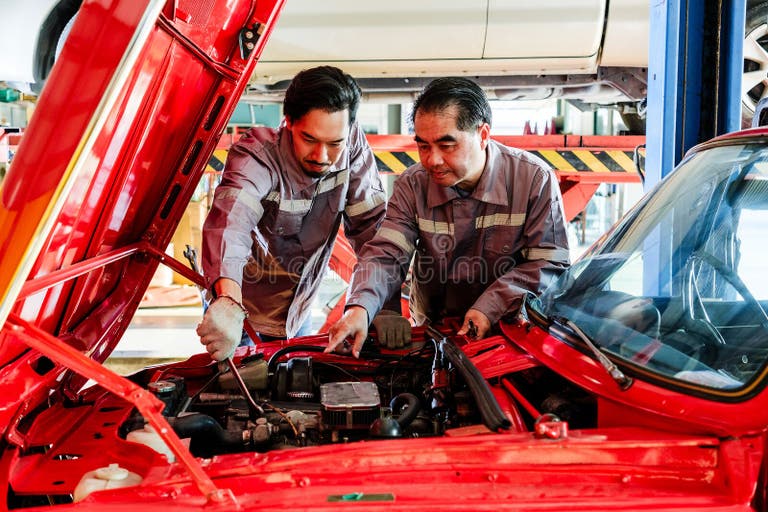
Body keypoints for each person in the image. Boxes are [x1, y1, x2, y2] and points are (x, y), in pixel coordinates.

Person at [327, 77, 571, 358]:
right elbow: (386, 254)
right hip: (434, 329)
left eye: (446, 145)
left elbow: (550, 265)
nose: (432, 160)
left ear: (482, 135)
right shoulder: (412, 184)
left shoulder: (533, 179)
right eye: (423, 146)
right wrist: (361, 307)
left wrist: (491, 306)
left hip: (508, 335)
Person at [197, 65, 396, 361]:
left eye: (334, 143)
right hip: (239, 315)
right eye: (310, 139)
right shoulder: (258, 156)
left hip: (299, 311)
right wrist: (227, 301)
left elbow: (373, 233)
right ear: (288, 122)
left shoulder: (353, 147)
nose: (322, 156)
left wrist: (376, 305)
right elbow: (232, 224)